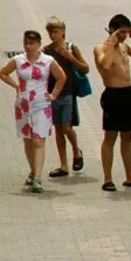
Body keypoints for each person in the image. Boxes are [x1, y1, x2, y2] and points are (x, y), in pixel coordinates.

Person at [0, 30, 67, 193]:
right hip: (22, 105)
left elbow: (61, 77)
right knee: (28, 140)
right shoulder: (18, 60)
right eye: (26, 43)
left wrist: (53, 95)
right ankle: (32, 170)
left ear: (38, 44)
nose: (28, 47)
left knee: (38, 140)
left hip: (41, 105)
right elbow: (2, 73)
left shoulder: (48, 61)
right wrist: (15, 85)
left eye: (31, 43)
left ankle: (37, 177)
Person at [93, 14, 131, 192]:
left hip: (128, 93)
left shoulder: (125, 46)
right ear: (112, 30)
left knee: (128, 137)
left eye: (126, 32)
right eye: (121, 32)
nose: (124, 35)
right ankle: (107, 178)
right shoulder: (100, 48)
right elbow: (106, 65)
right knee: (110, 137)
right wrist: (111, 42)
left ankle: (130, 177)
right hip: (113, 94)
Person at [43, 17, 87, 178]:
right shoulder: (46, 51)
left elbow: (86, 68)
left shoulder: (71, 47)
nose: (53, 35)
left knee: (67, 127)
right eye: (50, 32)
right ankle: (63, 165)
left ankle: (76, 151)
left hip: (68, 92)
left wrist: (70, 57)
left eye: (55, 31)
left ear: (63, 32)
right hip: (52, 94)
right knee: (58, 130)